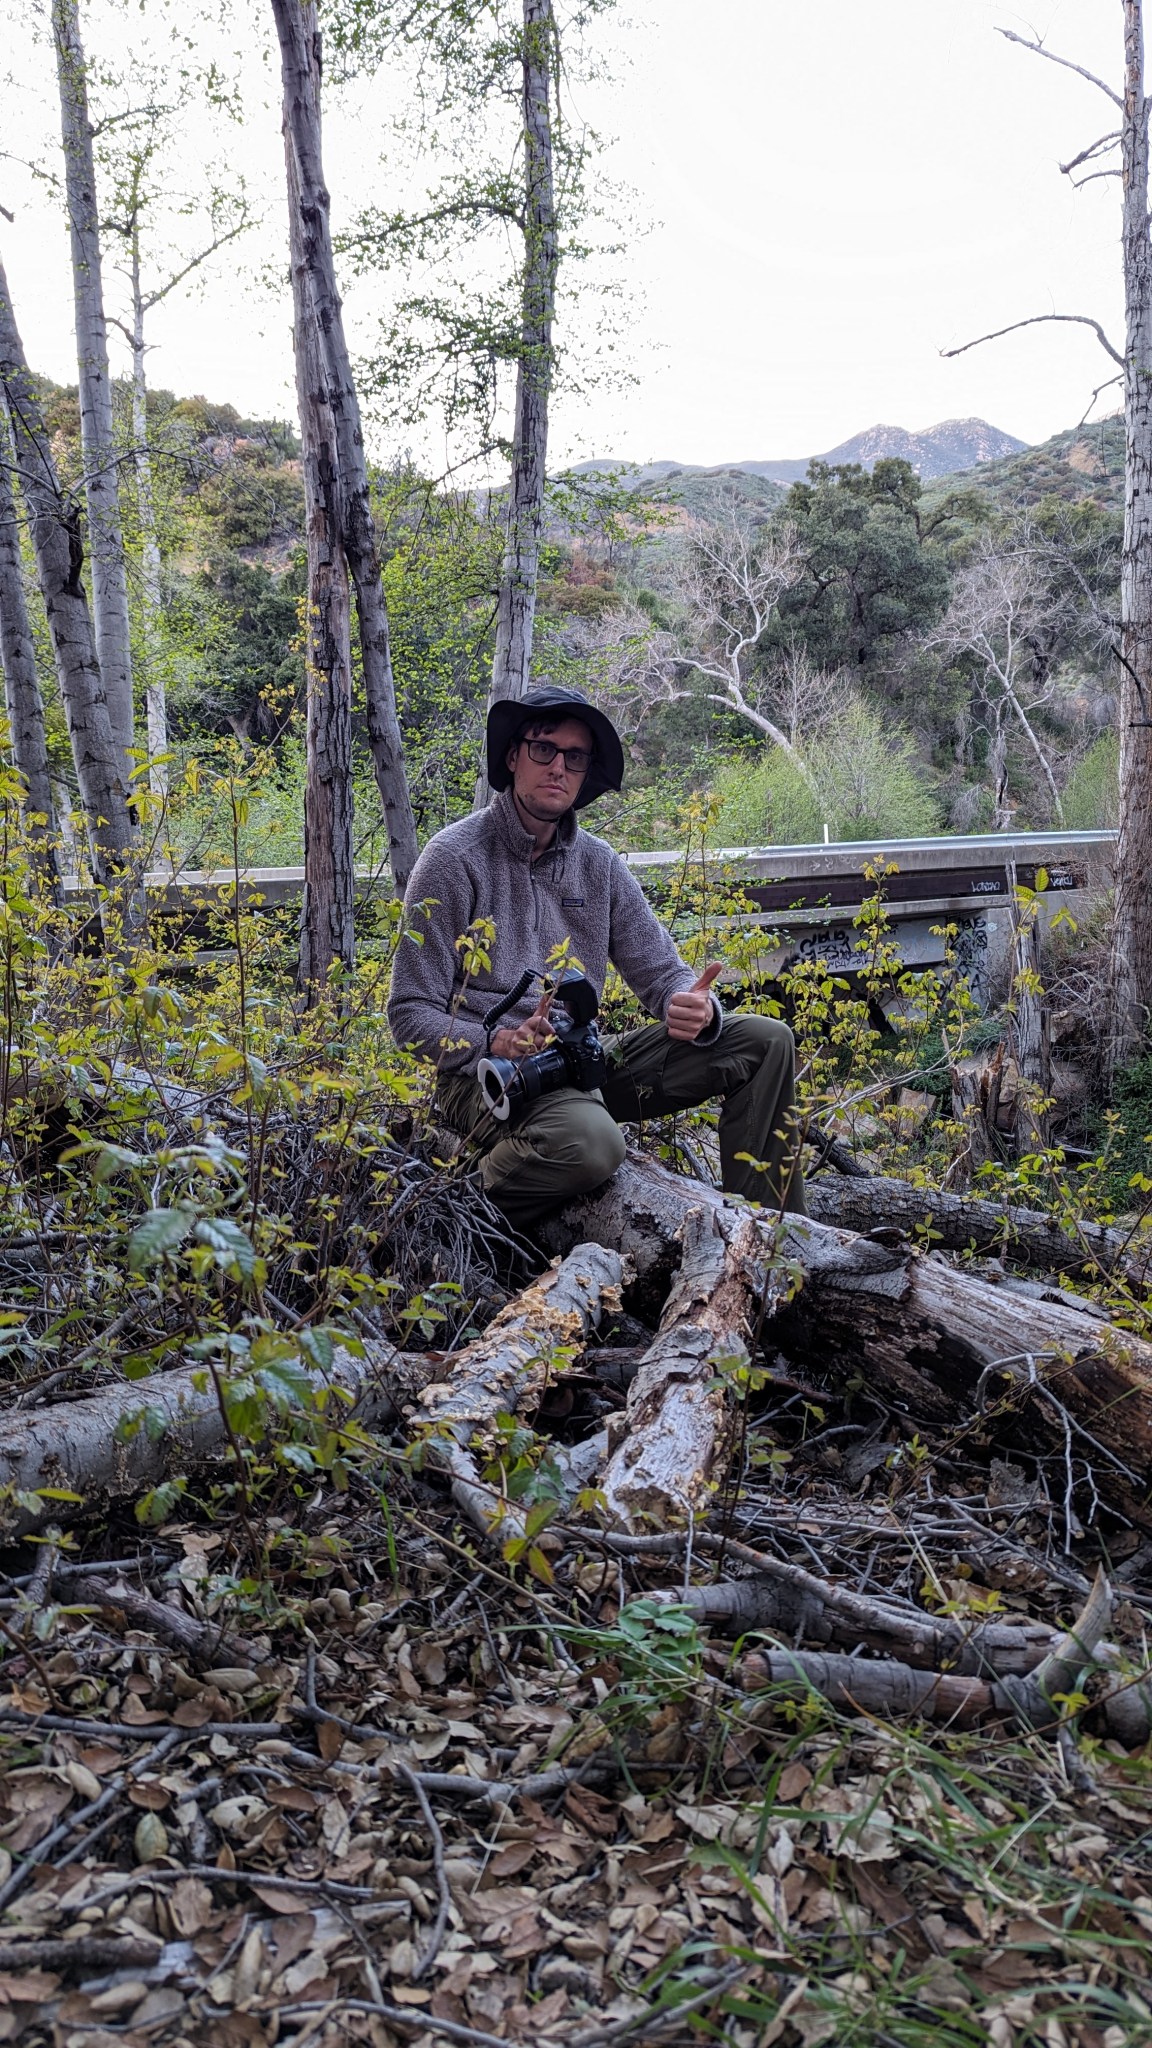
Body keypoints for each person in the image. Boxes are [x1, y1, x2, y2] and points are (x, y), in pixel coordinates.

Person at [387, 684, 807, 1233]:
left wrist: (692, 1005)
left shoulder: (598, 864)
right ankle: (452, 1213)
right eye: (543, 749)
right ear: (512, 757)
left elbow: (662, 971)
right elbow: (409, 1014)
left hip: (578, 1062)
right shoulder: (454, 858)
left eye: (575, 757)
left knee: (765, 1041)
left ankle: (772, 1243)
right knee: (593, 1143)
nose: (558, 767)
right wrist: (496, 1040)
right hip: (484, 1077)